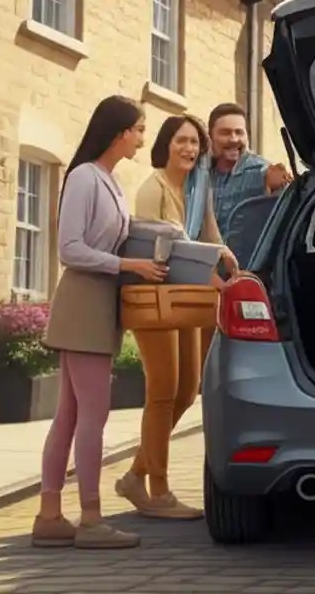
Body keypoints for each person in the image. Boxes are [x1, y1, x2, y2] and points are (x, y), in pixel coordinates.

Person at [33, 95, 160, 549]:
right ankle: (90, 518)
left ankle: (50, 516)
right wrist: (129, 267)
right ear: (121, 132)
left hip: (99, 301)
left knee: (70, 414)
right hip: (84, 299)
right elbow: (70, 248)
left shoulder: (110, 180)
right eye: (140, 130)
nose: (143, 138)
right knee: (91, 414)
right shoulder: (85, 177)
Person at [114, 114, 239, 520]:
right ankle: (159, 491)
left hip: (186, 293)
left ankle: (135, 474)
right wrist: (206, 266)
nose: (188, 149)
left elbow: (208, 231)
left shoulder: (197, 187)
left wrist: (224, 254)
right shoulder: (153, 189)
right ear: (166, 145)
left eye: (194, 144)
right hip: (156, 297)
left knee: (188, 391)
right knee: (163, 392)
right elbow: (157, 251)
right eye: (181, 141)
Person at [206, 103, 292, 242]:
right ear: (210, 137)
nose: (234, 139)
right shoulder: (200, 173)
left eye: (239, 132)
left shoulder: (262, 172)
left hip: (246, 262)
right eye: (225, 133)